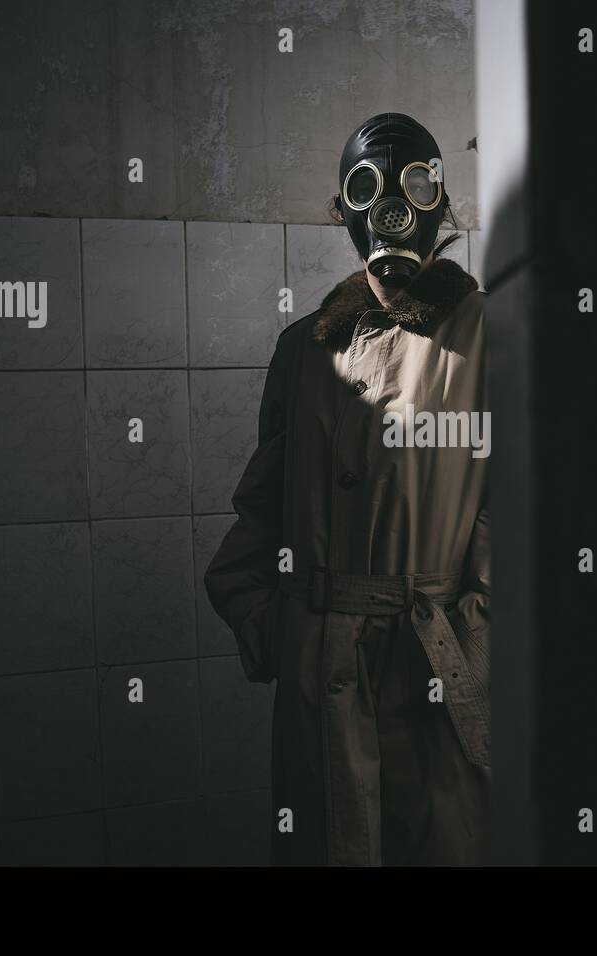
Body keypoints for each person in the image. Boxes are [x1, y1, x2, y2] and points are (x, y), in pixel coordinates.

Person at [204, 113, 490, 866]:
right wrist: (279, 627)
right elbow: (260, 508)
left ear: (439, 198)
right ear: (344, 209)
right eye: (366, 187)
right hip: (320, 668)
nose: (391, 205)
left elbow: (522, 510)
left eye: (415, 183)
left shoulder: (487, 336)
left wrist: (475, 636)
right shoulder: (303, 349)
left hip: (433, 669)